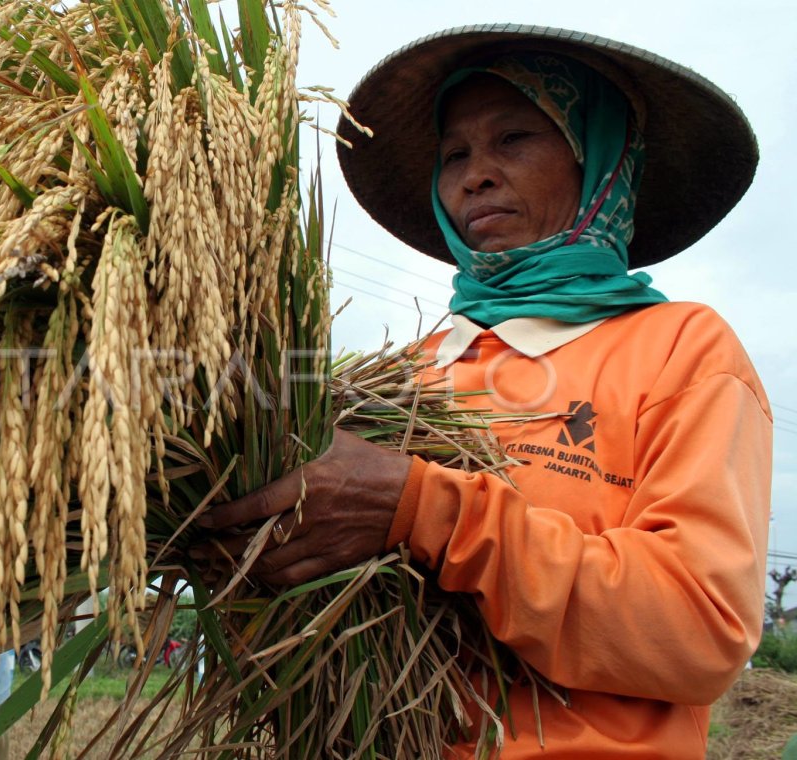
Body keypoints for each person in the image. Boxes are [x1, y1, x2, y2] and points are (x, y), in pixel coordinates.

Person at [197, 25, 772, 758]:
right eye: (456, 154)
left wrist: (425, 509)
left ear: (597, 159)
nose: (477, 175)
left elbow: (697, 630)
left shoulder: (681, 351)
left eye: (515, 138)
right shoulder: (404, 376)